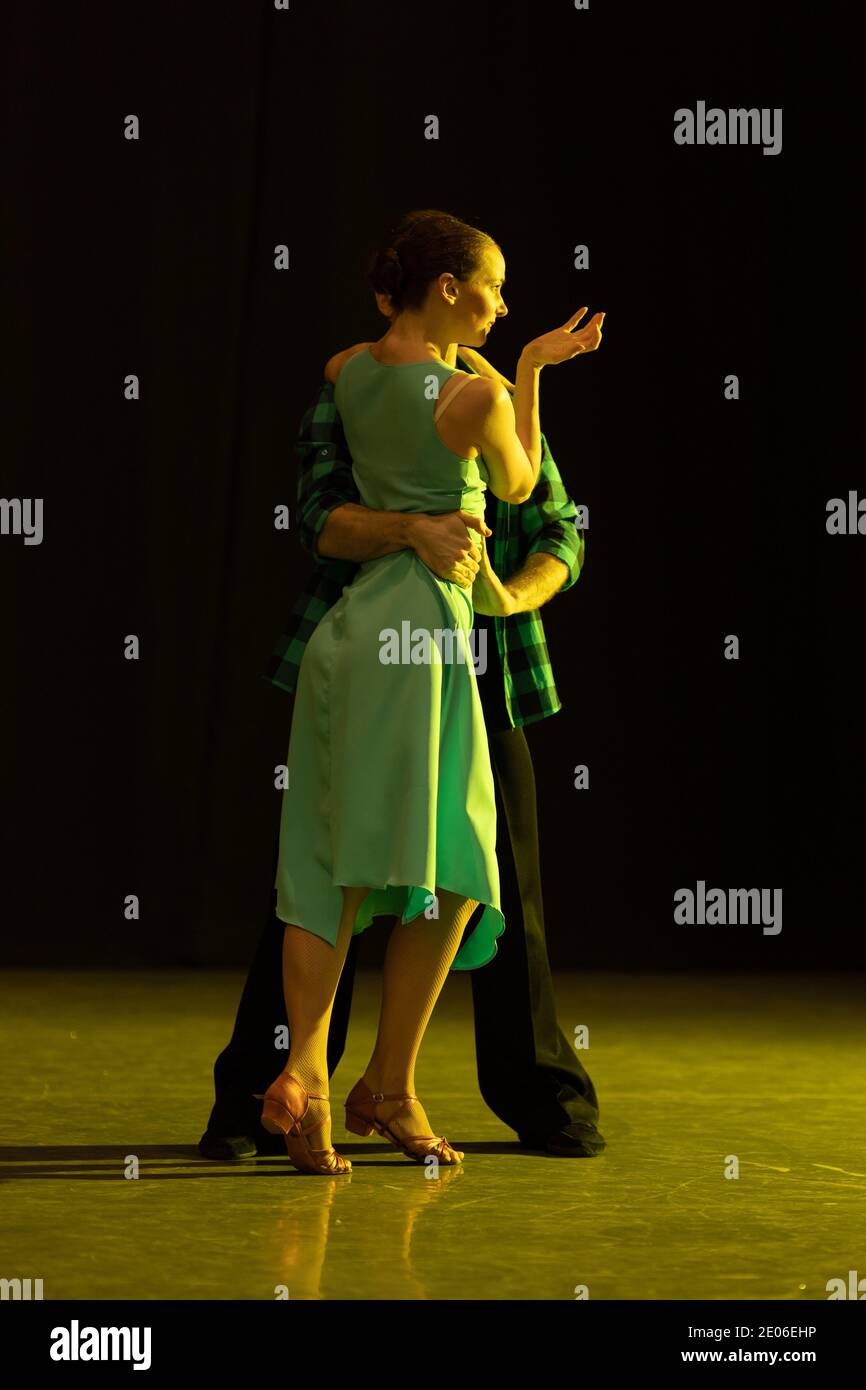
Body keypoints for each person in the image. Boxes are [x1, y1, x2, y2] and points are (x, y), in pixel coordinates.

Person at [202, 209, 605, 1174]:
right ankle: (352, 1079)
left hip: (380, 643)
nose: (507, 304)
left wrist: (504, 596)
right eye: (495, 287)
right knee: (451, 865)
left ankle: (318, 1077)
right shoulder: (477, 401)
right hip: (418, 643)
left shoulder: (350, 372)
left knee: (337, 865)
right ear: (450, 289)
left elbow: (553, 534)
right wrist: (532, 378)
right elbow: (507, 493)